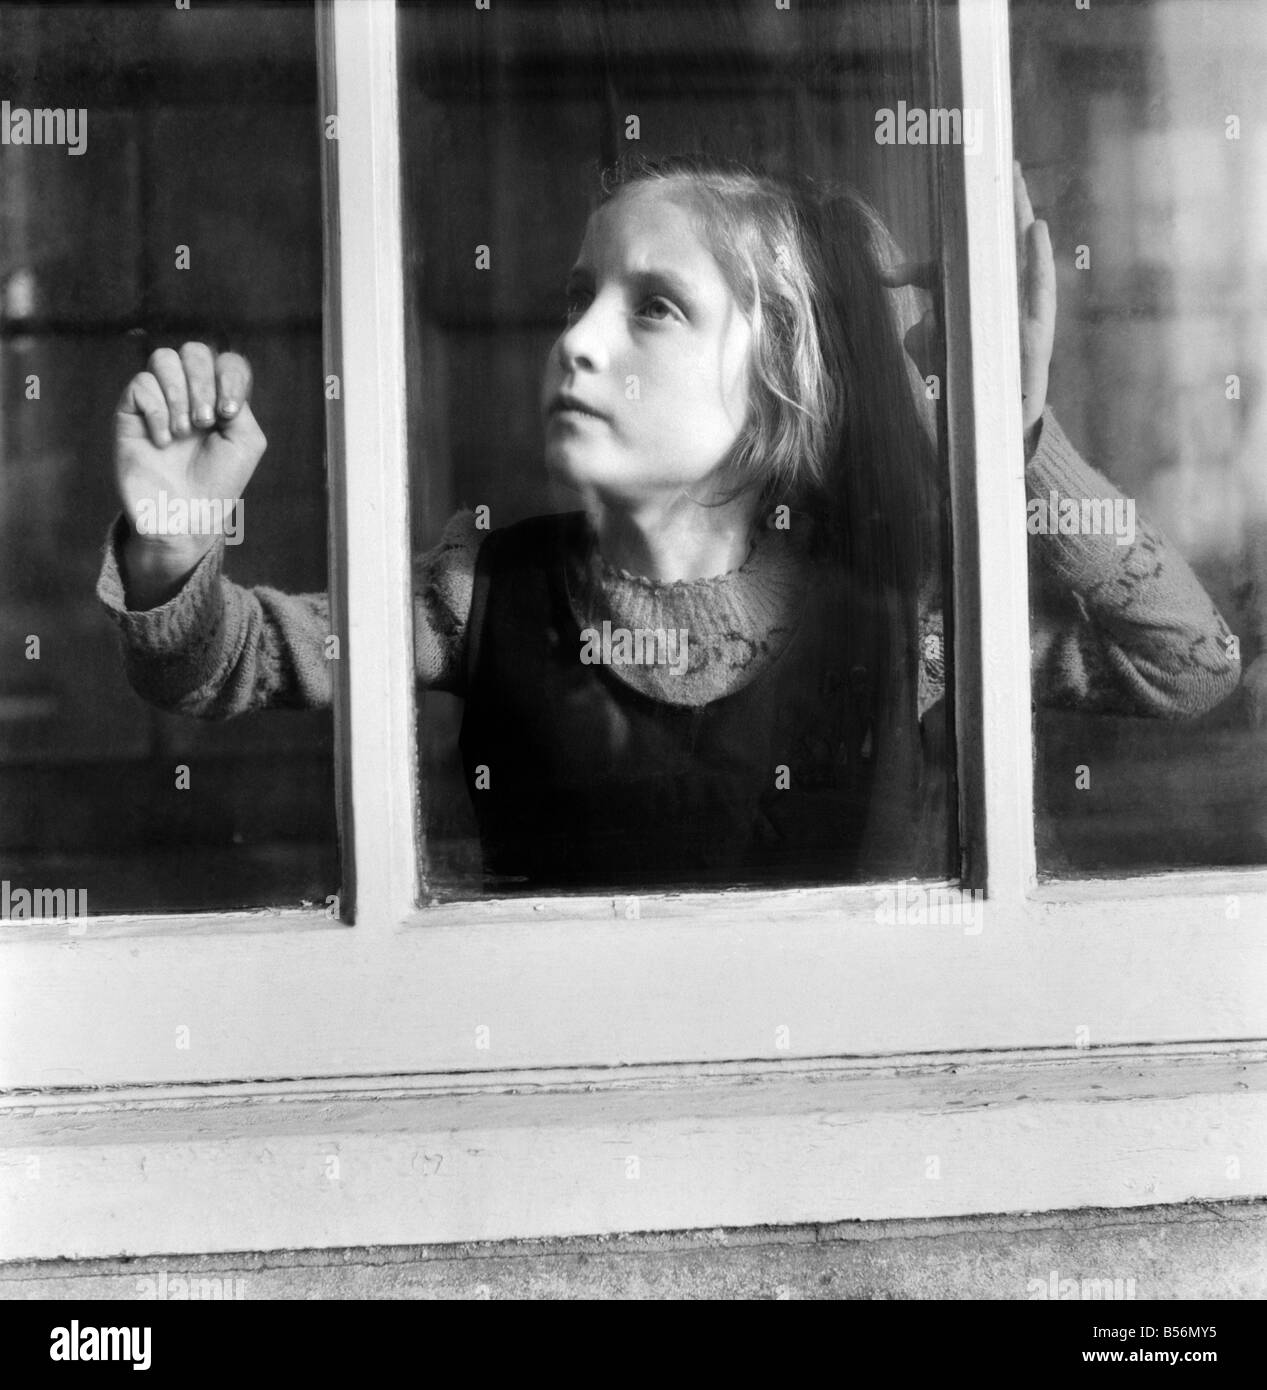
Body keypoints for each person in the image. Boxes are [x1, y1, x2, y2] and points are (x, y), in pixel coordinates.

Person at [97, 154, 1241, 891]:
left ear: (780, 378)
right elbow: (218, 664)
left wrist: (1022, 437)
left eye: (652, 305)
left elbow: (1190, 664)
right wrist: (174, 537)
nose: (578, 341)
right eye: (576, 298)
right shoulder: (478, 590)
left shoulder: (906, 621)